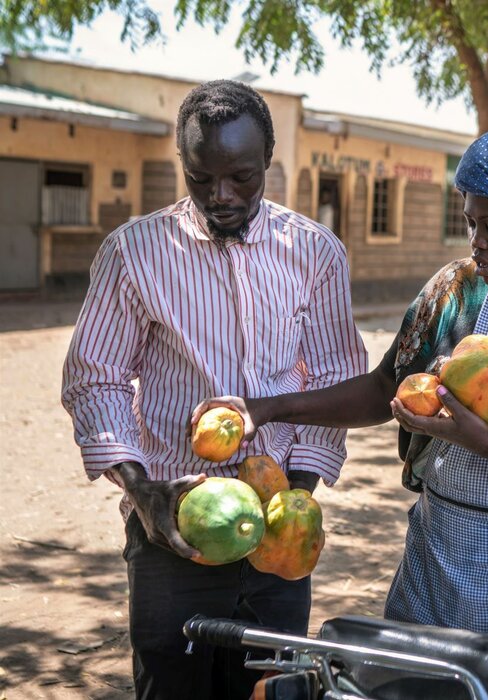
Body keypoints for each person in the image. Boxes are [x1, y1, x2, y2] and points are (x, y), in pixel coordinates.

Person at [192, 119, 488, 662]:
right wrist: (267, 409)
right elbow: (384, 388)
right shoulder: (454, 290)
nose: (475, 240)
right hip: (438, 552)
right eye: (469, 222)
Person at [61, 80, 368, 699]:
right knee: (172, 686)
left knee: (270, 689)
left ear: (268, 163)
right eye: (201, 179)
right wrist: (143, 491)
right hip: (171, 531)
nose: (221, 197)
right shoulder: (134, 253)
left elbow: (336, 377)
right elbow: (95, 378)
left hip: (280, 536)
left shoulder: (315, 254)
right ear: (183, 163)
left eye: (241, 178)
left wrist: (296, 495)